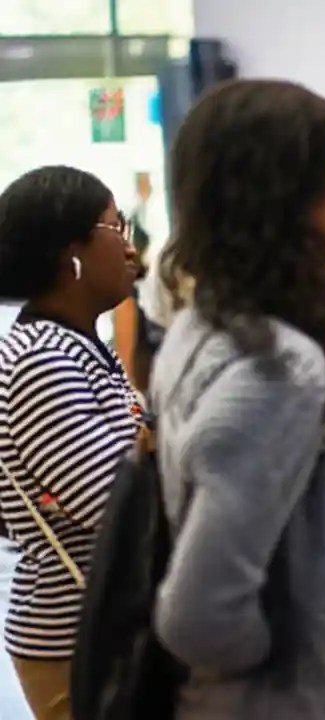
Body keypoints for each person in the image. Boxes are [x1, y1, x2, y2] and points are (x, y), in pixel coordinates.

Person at [149, 79, 325, 718]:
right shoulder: (277, 370)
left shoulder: (200, 330)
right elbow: (199, 616)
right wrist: (291, 660)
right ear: (297, 201)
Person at [0, 165, 142, 720]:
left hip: (106, 625)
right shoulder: (42, 358)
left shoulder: (78, 345)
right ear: (69, 254)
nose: (130, 249)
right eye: (115, 229)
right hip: (80, 637)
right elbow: (109, 501)